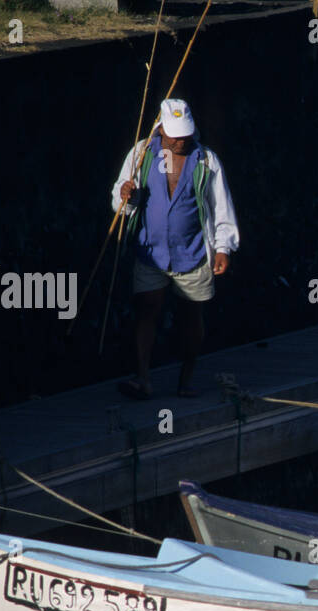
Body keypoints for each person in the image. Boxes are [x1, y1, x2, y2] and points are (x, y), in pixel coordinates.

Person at [111, 98, 239, 399]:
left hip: (192, 253)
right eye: (174, 136)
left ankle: (187, 379)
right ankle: (142, 378)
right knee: (147, 310)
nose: (180, 142)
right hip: (151, 251)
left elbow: (221, 206)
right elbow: (119, 201)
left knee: (191, 316)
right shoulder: (142, 153)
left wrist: (223, 247)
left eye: (185, 136)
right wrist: (125, 195)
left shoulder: (206, 160)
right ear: (162, 131)